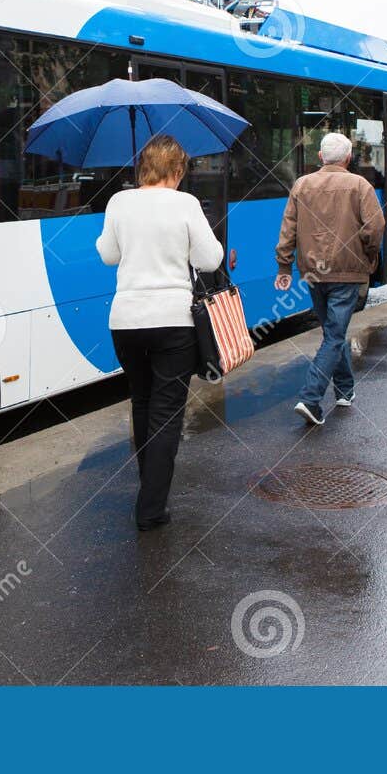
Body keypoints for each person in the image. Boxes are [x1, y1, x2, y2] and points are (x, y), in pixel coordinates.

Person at [96, 134, 224, 530]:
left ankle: (148, 487)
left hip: (126, 322)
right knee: (166, 414)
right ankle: (151, 509)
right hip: (172, 321)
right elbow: (210, 259)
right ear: (177, 169)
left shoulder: (118, 202)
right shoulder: (185, 203)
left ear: (144, 168)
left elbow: (108, 255)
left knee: (142, 402)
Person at [275, 131, 386, 425]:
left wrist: (284, 266)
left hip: (313, 272)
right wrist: (368, 255)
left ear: (320, 157)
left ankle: (345, 390)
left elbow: (288, 229)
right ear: (348, 158)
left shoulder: (301, 185)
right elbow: (375, 227)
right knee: (334, 335)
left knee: (332, 334)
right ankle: (311, 398)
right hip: (347, 272)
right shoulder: (360, 185)